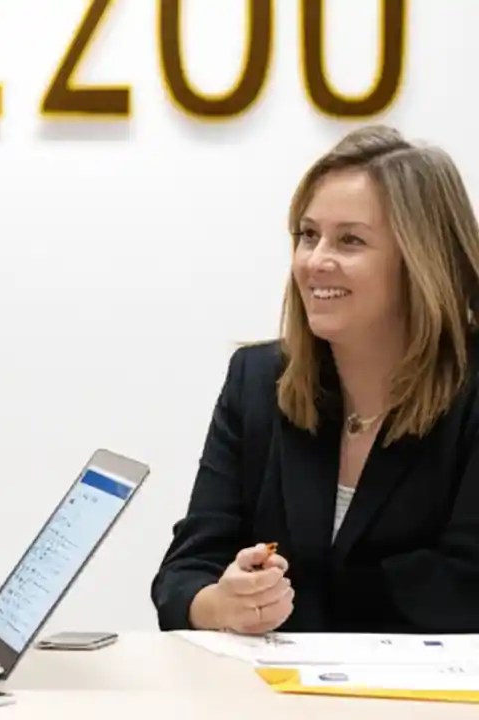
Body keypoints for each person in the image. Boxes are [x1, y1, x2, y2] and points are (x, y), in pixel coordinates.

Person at [151, 125, 479, 635]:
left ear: (421, 260)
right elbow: (184, 572)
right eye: (308, 235)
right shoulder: (258, 380)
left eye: (350, 240)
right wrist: (223, 603)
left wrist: (295, 600)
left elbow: (462, 589)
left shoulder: (470, 390)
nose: (315, 261)